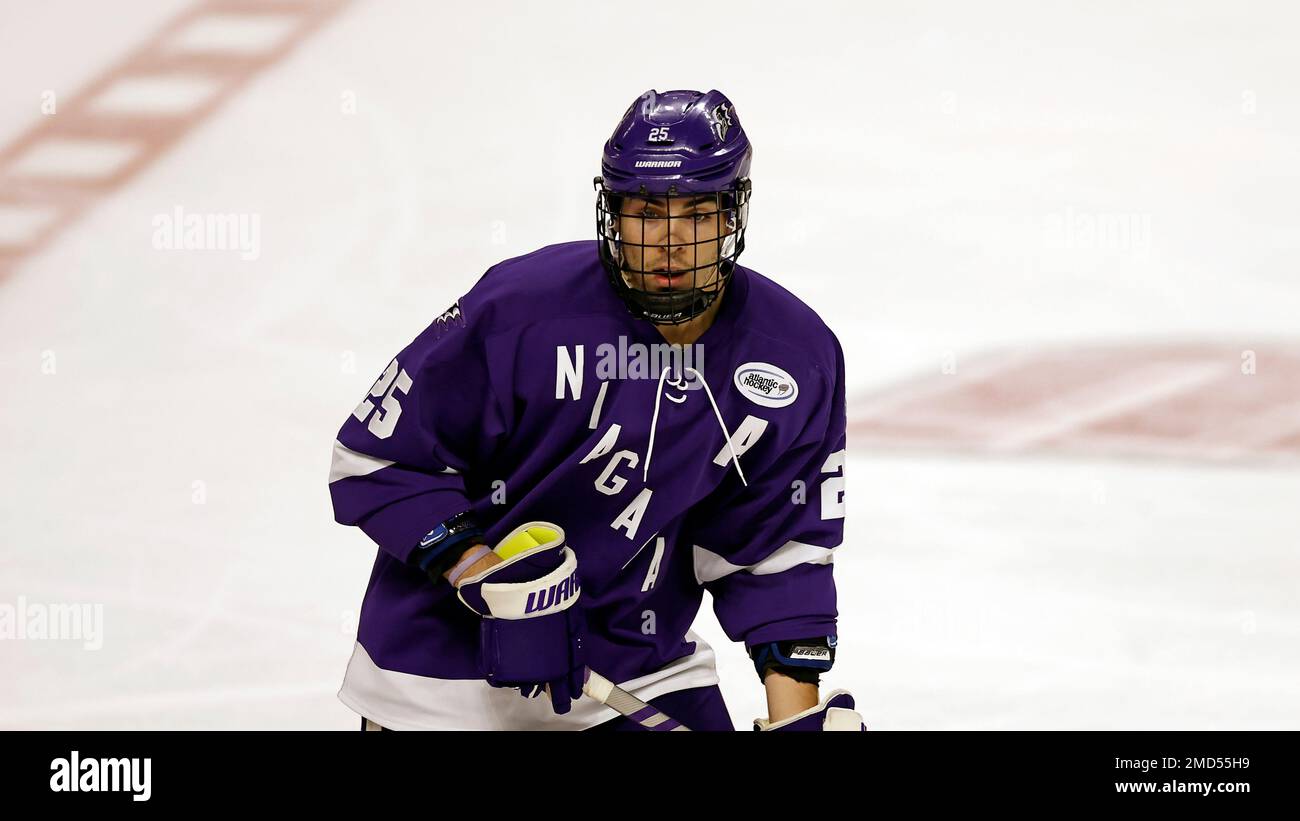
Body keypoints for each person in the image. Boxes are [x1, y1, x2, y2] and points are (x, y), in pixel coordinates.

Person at [329, 89, 863, 731]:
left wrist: (793, 721)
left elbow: (774, 550)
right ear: (612, 213)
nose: (671, 242)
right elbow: (372, 458)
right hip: (433, 682)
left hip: (641, 672)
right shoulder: (519, 313)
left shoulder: (793, 356)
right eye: (647, 212)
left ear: (733, 215)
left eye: (698, 213)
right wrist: (481, 571)